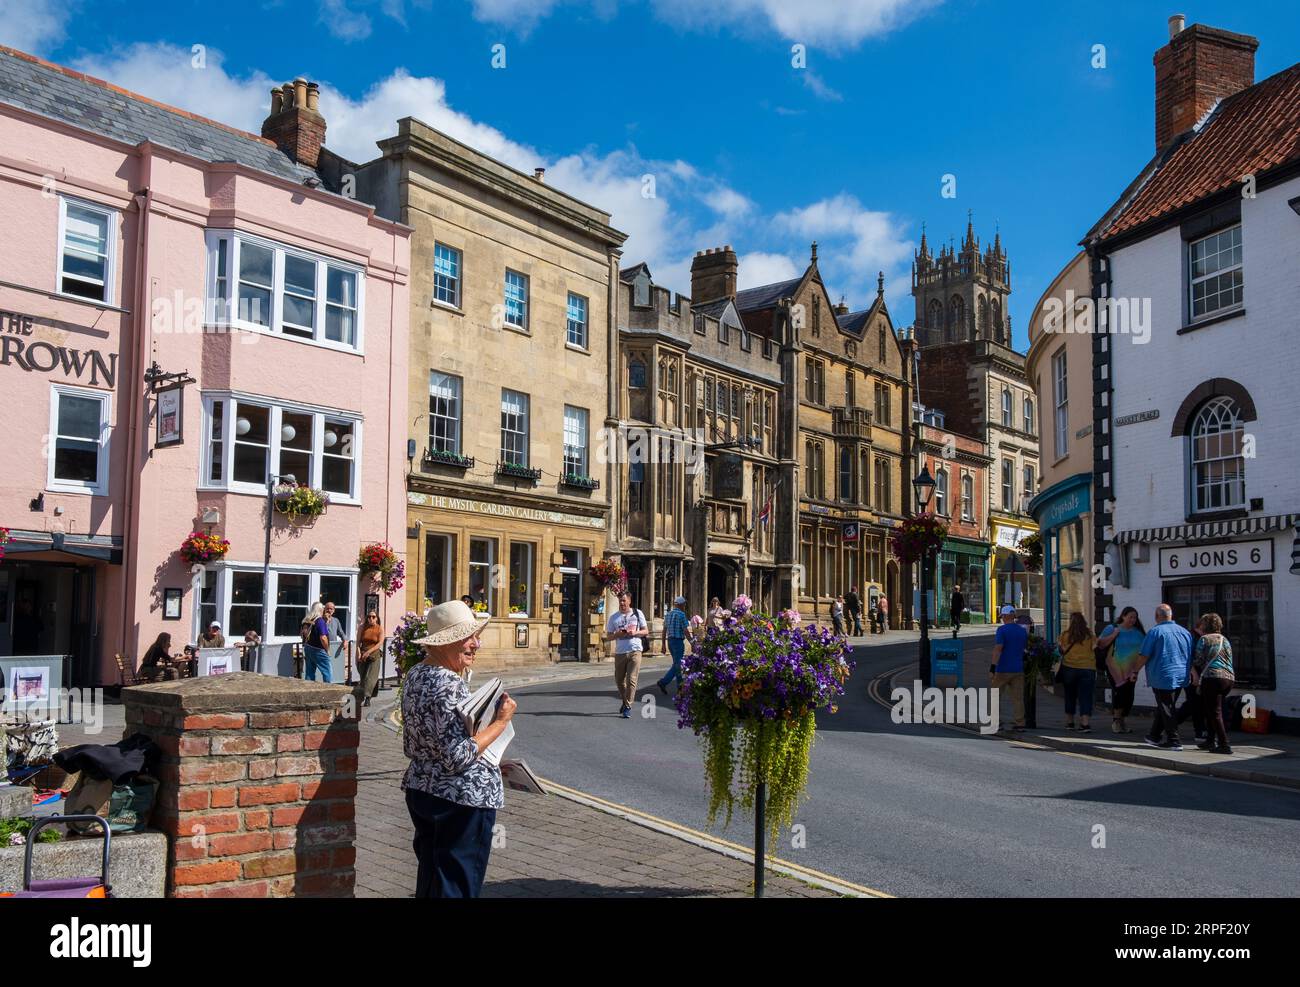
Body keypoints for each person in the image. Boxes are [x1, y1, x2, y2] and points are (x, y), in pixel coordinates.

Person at [401, 600, 513, 898]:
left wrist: (487, 754)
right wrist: (500, 724)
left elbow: (418, 743)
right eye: (469, 637)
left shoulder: (415, 675)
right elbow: (456, 756)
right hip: (460, 800)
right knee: (456, 887)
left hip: (422, 790)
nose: (476, 643)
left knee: (432, 881)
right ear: (446, 642)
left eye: (476, 636)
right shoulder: (450, 683)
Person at [1133, 603, 1194, 751]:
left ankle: (1174, 740)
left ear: (1156, 616)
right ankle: (1154, 736)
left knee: (1167, 708)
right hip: (1181, 675)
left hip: (1162, 676)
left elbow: (1144, 655)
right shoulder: (1185, 632)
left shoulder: (1155, 632)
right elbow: (1190, 655)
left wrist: (1135, 671)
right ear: (1171, 616)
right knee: (1165, 705)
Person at [1191, 612, 1235, 754]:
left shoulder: (1204, 639)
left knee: (1215, 712)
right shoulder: (1225, 639)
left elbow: (1198, 660)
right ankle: (1210, 740)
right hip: (1228, 678)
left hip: (1212, 678)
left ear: (1206, 625)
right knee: (1212, 709)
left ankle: (1224, 744)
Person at [1097, 606, 1145, 733]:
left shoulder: (1138, 632)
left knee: (1129, 696)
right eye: (1130, 617)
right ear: (1123, 616)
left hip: (1132, 669)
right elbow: (1100, 643)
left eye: (1135, 617)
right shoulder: (1112, 628)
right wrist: (1114, 635)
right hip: (1115, 668)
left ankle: (1122, 720)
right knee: (1120, 692)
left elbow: (1144, 649)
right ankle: (1116, 721)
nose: (1133, 620)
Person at [604, 592, 646, 718]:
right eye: (620, 601)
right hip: (620, 652)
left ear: (629, 601)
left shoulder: (638, 613)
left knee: (631, 680)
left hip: (635, 650)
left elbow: (646, 631)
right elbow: (608, 636)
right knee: (619, 680)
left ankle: (628, 706)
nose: (622, 603)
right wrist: (617, 635)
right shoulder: (613, 617)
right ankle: (625, 700)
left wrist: (635, 632)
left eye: (624, 600)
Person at [990, 604, 1028, 733]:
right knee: (1018, 698)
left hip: (1003, 669)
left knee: (995, 696)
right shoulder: (1022, 631)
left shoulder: (1002, 630)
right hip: (1018, 668)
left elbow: (998, 649)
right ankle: (1020, 723)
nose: (1002, 619)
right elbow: (1024, 649)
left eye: (1002, 616)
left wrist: (992, 667)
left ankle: (997, 722)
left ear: (1006, 616)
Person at [1057, 612, 1097, 732]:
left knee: (1070, 695)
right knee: (1086, 696)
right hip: (1087, 668)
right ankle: (1085, 723)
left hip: (1069, 668)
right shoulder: (1090, 635)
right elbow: (1095, 647)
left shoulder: (1065, 635)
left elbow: (1061, 650)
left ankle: (1070, 722)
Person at [657, 596, 689, 696]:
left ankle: (680, 687)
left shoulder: (668, 614)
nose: (684, 606)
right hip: (678, 642)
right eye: (684, 604)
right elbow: (686, 631)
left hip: (670, 641)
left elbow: (664, 630)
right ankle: (664, 682)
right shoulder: (682, 615)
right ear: (681, 605)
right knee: (678, 665)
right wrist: (692, 642)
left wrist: (663, 644)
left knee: (677, 664)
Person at [354, 610, 385, 711]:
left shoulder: (379, 629)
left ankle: (367, 698)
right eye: (369, 617)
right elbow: (358, 642)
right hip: (363, 652)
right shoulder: (362, 627)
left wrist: (369, 652)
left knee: (370, 676)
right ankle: (371, 691)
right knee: (363, 675)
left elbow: (380, 643)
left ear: (377, 618)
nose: (371, 619)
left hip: (374, 653)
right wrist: (358, 652)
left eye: (373, 617)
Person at [301, 602, 332, 682]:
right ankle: (328, 691)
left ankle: (309, 691)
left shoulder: (306, 620)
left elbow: (301, 634)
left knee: (309, 673)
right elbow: (323, 637)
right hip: (318, 650)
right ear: (320, 610)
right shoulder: (320, 621)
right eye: (323, 609)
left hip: (308, 647)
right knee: (327, 672)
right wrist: (327, 649)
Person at [323, 601, 348, 677]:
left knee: (332, 668)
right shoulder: (320, 620)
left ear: (334, 610)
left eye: (331, 609)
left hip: (333, 647)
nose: (329, 610)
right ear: (324, 609)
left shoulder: (336, 620)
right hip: (322, 647)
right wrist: (326, 621)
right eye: (327, 608)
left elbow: (341, 632)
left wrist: (345, 640)